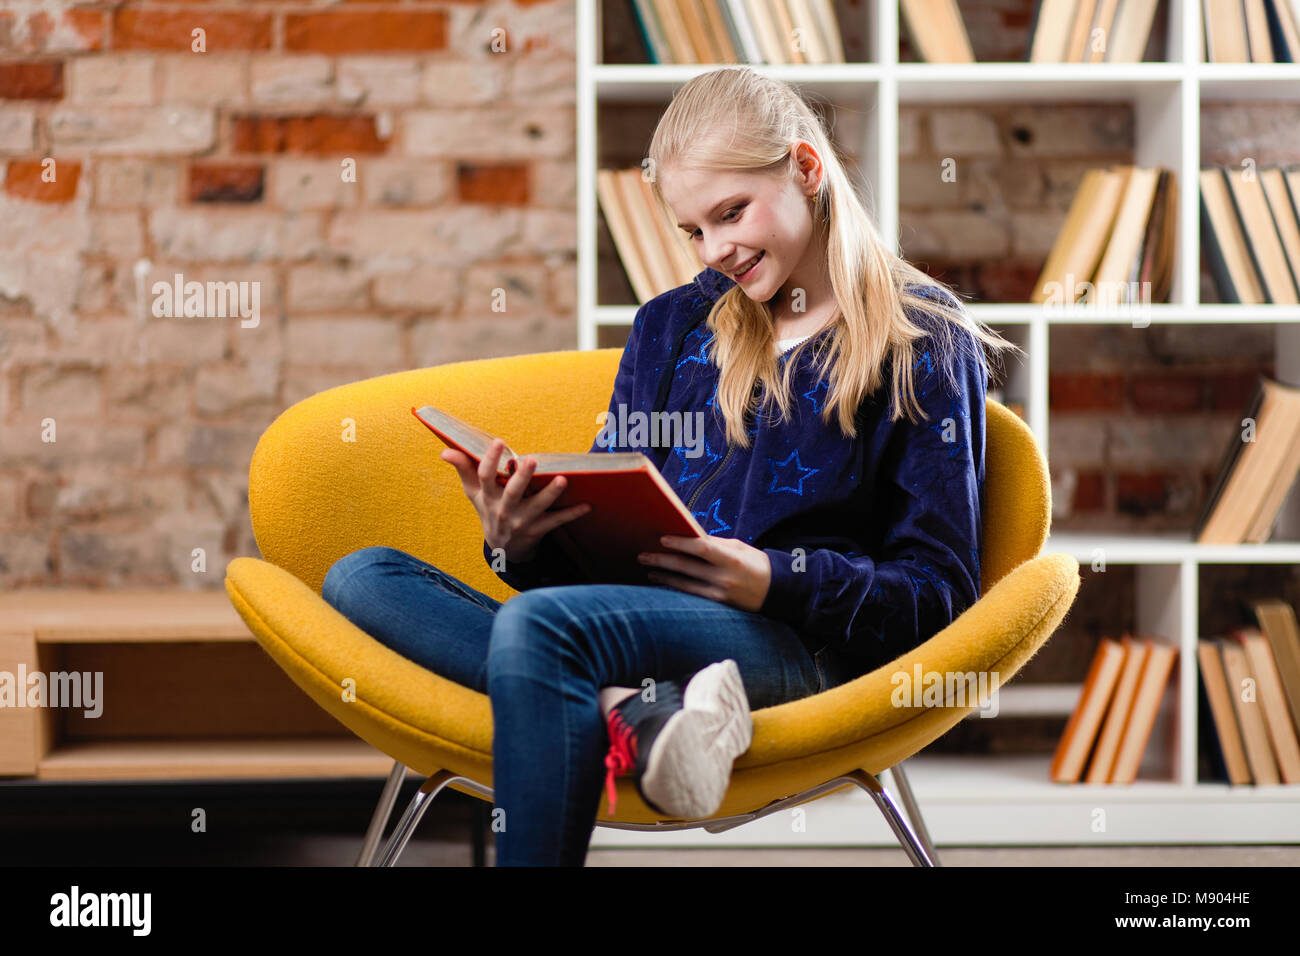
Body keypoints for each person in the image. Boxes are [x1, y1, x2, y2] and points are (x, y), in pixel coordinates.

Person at [321, 65, 1023, 866]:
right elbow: (608, 545)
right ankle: (639, 719)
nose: (716, 251)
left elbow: (940, 595)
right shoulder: (672, 326)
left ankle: (621, 707)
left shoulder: (925, 340)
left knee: (543, 631)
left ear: (805, 167)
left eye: (732, 213)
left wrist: (772, 579)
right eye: (694, 231)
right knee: (360, 576)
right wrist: (520, 539)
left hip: (796, 647)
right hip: (636, 629)